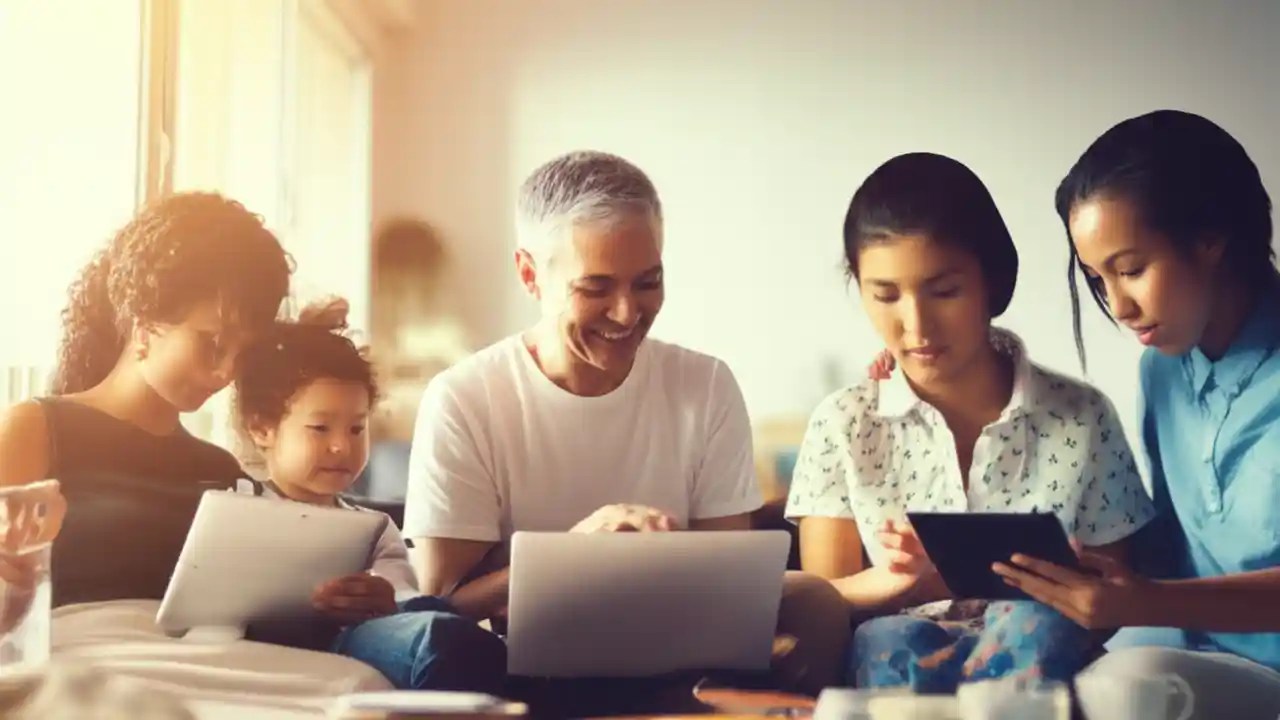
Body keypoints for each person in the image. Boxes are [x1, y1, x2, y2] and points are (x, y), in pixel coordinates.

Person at [401, 150, 850, 709]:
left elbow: (733, 582)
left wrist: (647, 561)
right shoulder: (465, 397)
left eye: (648, 283)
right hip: (526, 665)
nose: (626, 313)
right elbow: (441, 604)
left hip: (681, 647)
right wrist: (575, 560)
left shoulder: (704, 384)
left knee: (816, 602)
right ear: (529, 274)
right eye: (595, 288)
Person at [785, 152, 1156, 692]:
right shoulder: (843, 423)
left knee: (1031, 625)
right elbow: (820, 600)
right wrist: (893, 582)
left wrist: (1066, 580)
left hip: (1042, 646)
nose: (915, 325)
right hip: (895, 648)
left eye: (944, 292)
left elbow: (1115, 599)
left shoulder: (1081, 417)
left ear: (993, 282)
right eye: (885, 295)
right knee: (889, 641)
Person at [992, 110, 1280, 719]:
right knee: (1029, 684)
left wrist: (1151, 602)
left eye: (1130, 270)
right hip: (1193, 646)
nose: (1118, 306)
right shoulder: (1163, 369)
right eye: (1098, 280)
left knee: (1128, 690)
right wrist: (1093, 570)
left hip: (1248, 662)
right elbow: (1173, 545)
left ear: (1210, 237)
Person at [0, 192, 291, 608]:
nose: (227, 372)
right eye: (212, 343)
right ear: (145, 322)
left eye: (243, 354)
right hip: (84, 658)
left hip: (205, 661)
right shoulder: (37, 429)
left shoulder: (219, 469)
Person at [228, 298, 505, 692]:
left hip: (362, 637)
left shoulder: (373, 527)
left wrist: (383, 600)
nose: (342, 446)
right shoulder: (238, 511)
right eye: (320, 428)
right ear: (262, 430)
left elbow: (410, 608)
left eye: (357, 429)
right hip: (275, 640)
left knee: (440, 632)